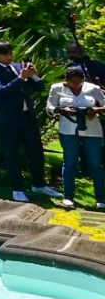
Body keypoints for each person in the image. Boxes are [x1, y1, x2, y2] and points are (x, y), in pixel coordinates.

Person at [0, 41, 61, 203]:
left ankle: (38, 184)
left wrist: (33, 75)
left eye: (11, 53)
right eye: (5, 54)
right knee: (13, 154)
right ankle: (17, 189)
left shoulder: (19, 66)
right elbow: (1, 91)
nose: (9, 57)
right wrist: (21, 78)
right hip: (8, 119)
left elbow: (39, 87)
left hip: (27, 117)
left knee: (36, 152)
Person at [46, 64, 105, 211]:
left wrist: (95, 109)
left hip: (92, 130)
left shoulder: (93, 89)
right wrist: (62, 110)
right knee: (70, 162)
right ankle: (68, 197)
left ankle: (100, 198)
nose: (76, 85)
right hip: (68, 129)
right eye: (73, 82)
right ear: (66, 81)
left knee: (95, 164)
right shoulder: (57, 88)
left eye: (79, 82)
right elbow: (50, 107)